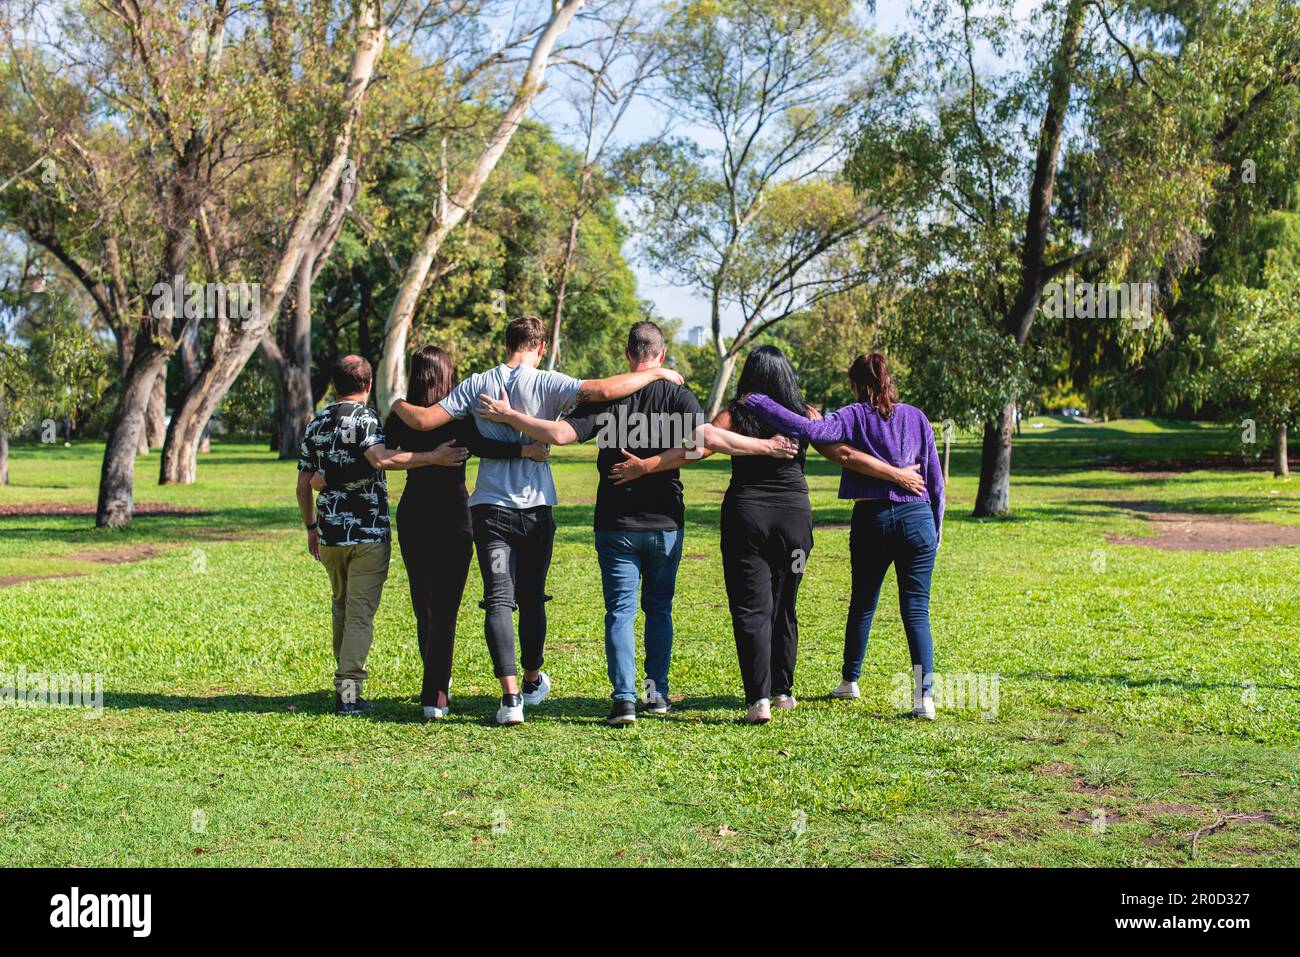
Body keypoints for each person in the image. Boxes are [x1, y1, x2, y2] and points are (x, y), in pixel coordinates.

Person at [475, 320, 797, 726]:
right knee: (659, 609)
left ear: (628, 355)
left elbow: (558, 434)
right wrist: (660, 465)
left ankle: (624, 701)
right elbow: (704, 444)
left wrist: (509, 416)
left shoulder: (608, 400)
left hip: (615, 522)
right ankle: (656, 695)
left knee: (620, 613)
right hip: (665, 522)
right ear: (661, 355)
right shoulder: (679, 396)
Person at [388, 315, 686, 726]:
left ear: (505, 343)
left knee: (497, 599)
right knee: (532, 598)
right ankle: (531, 680)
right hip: (536, 508)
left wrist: (395, 403)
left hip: (488, 506)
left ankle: (510, 699)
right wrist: (659, 371)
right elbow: (602, 389)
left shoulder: (477, 383)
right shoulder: (548, 382)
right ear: (542, 347)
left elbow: (423, 421)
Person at [610, 345, 927, 724]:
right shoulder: (806, 415)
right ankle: (782, 692)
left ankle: (757, 700)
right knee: (785, 603)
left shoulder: (735, 414)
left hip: (748, 520)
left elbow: (694, 447)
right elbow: (844, 453)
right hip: (795, 523)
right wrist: (896, 473)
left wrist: (647, 466)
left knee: (750, 607)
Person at [312, 346, 549, 720]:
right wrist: (527, 450)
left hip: (414, 515)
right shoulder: (461, 414)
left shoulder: (402, 414)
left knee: (424, 604)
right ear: (448, 374)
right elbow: (488, 445)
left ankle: (435, 684)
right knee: (446, 610)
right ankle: (435, 694)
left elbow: (379, 456)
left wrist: (327, 478)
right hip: (454, 515)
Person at [740, 352, 945, 719]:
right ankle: (923, 698)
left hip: (874, 517)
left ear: (855, 385)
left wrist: (759, 401)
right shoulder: (916, 417)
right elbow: (935, 480)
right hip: (919, 518)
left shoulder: (852, 415)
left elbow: (808, 431)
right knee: (917, 610)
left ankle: (850, 680)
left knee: (863, 601)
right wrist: (936, 528)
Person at [295, 355, 467, 716]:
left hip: (328, 532)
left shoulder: (316, 424)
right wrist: (433, 456)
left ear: (335, 384)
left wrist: (311, 527)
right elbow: (381, 459)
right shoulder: (368, 418)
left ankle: (346, 681)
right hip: (368, 530)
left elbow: (303, 485)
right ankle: (348, 692)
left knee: (341, 607)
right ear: (369, 385)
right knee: (359, 613)